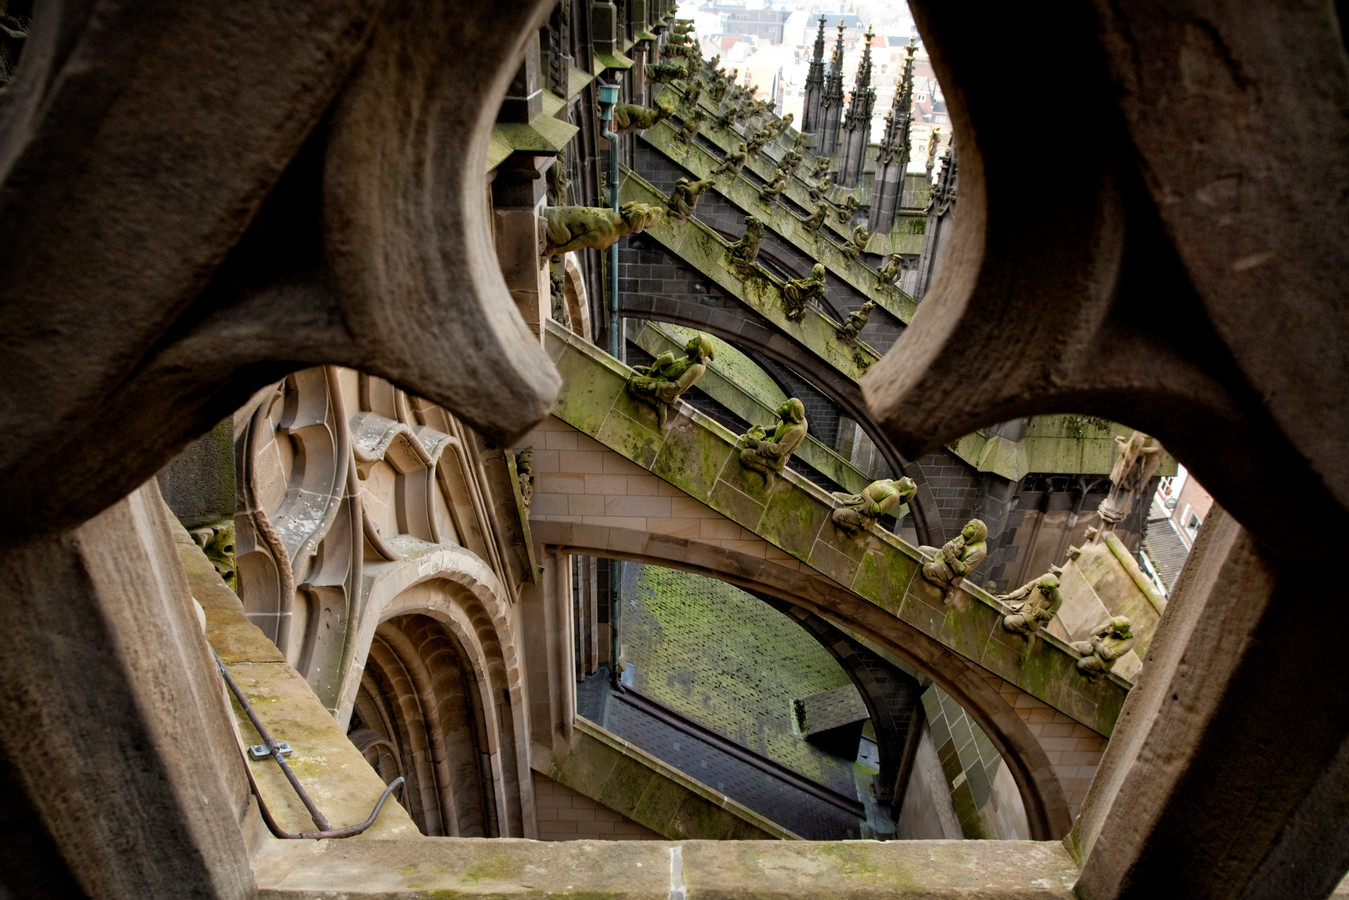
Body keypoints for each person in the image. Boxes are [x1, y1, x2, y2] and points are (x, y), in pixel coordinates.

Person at [626, 333, 715, 428]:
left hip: (666, 392)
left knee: (632, 385)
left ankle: (658, 404)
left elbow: (678, 386)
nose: (689, 341)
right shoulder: (687, 359)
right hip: (660, 379)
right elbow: (670, 370)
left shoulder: (697, 368)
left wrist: (655, 386)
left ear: (698, 350)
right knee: (636, 368)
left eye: (693, 342)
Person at [739, 398, 808, 484]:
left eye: (787, 405)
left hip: (775, 459)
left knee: (745, 455)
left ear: (792, 414)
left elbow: (779, 450)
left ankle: (767, 471)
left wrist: (758, 444)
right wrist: (763, 430)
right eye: (786, 402)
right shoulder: (790, 420)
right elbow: (778, 428)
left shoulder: (796, 430)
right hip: (770, 444)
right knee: (745, 439)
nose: (783, 404)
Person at [830, 477, 917, 536]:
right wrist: (865, 495)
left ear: (906, 491)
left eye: (911, 484)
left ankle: (857, 530)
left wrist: (867, 497)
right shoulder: (888, 481)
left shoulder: (894, 496)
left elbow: (878, 511)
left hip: (863, 514)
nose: (911, 479)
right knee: (834, 495)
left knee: (838, 515)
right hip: (857, 500)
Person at [919, 519, 988, 591]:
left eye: (971, 526)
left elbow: (964, 570)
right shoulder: (966, 535)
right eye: (968, 524)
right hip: (943, 556)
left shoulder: (980, 551)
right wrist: (952, 549)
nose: (966, 526)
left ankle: (946, 587)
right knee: (921, 549)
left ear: (976, 533)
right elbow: (948, 545)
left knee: (927, 570)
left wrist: (951, 557)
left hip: (951, 571)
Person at [998, 572, 1063, 635]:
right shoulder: (1039, 582)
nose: (1040, 590)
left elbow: (1049, 616)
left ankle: (1026, 632)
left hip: (1030, 618)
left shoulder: (1057, 599)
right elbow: (1026, 589)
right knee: (998, 600)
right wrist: (1010, 596)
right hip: (1022, 605)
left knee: (1008, 622)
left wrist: (1039, 612)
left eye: (1044, 590)